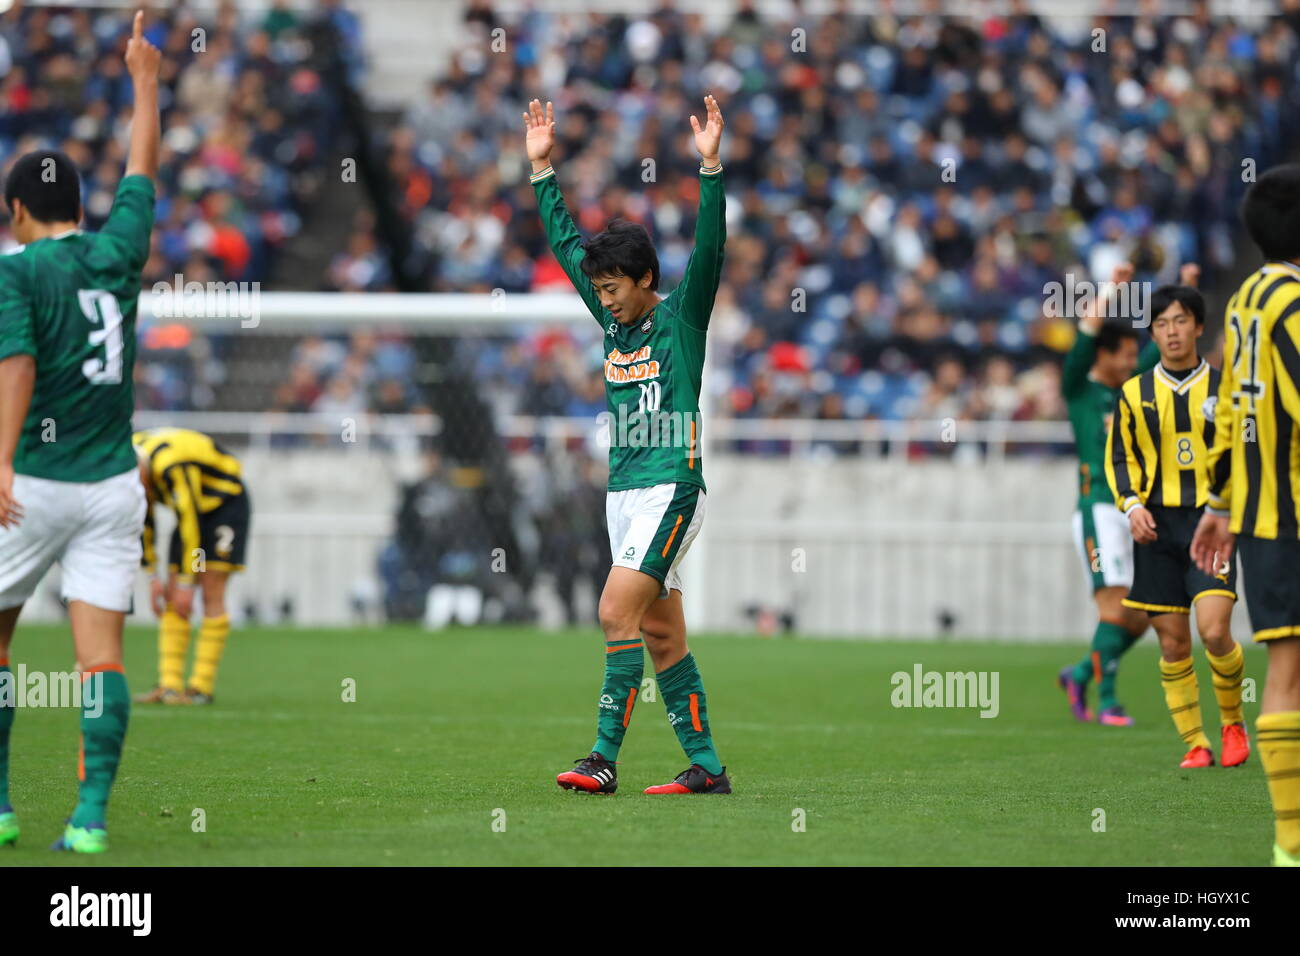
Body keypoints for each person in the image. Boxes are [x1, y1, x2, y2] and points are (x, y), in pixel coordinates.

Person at [526, 96, 730, 794]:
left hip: (673, 483)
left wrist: (709, 168)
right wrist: (543, 170)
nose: (606, 301)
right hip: (625, 493)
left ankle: (603, 758)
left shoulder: (682, 319)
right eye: (599, 291)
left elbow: (711, 249)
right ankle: (706, 767)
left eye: (614, 288)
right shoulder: (613, 324)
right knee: (663, 637)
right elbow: (562, 243)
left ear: (646, 279)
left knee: (614, 612)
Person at [0, 11, 160, 853]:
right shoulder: (119, 249)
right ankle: (90, 817)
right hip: (111, 485)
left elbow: (16, 366)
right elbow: (143, 169)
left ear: (19, 209)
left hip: (32, 480)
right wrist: (145, 81)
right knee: (100, 658)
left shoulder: (16, 270)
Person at [1192, 163, 1300, 866]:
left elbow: (1229, 412)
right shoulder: (1295, 303)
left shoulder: (1245, 303)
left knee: (1286, 674)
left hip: (1262, 522)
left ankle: (1288, 847)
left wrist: (1219, 501)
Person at [1106, 271, 1248, 769]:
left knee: (1213, 631)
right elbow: (1119, 459)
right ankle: (1196, 741)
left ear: (1197, 328)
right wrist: (1131, 505)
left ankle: (1232, 724)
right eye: (1162, 324)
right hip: (1156, 527)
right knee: (1172, 641)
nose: (1171, 331)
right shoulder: (1132, 394)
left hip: (1210, 522)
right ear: (1152, 335)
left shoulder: (1225, 389)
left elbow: (1240, 450)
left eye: (1180, 321)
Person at [1058, 262, 1159, 726]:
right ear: (1104, 354)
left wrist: (1189, 295)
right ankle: (1109, 702)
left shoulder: (1130, 389)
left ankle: (1080, 673)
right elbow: (1087, 329)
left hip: (1134, 508)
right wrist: (1114, 289)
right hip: (1099, 508)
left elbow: (1161, 349)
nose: (1130, 361)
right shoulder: (1080, 387)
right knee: (1114, 606)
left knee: (1140, 617)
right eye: (1123, 353)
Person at [132, 428, 252, 706]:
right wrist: (152, 576)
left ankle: (201, 687)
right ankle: (170, 685)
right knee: (172, 596)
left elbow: (190, 520)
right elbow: (142, 520)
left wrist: (188, 582)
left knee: (210, 587)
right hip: (193, 516)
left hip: (225, 506)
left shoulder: (170, 465)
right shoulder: (127, 464)